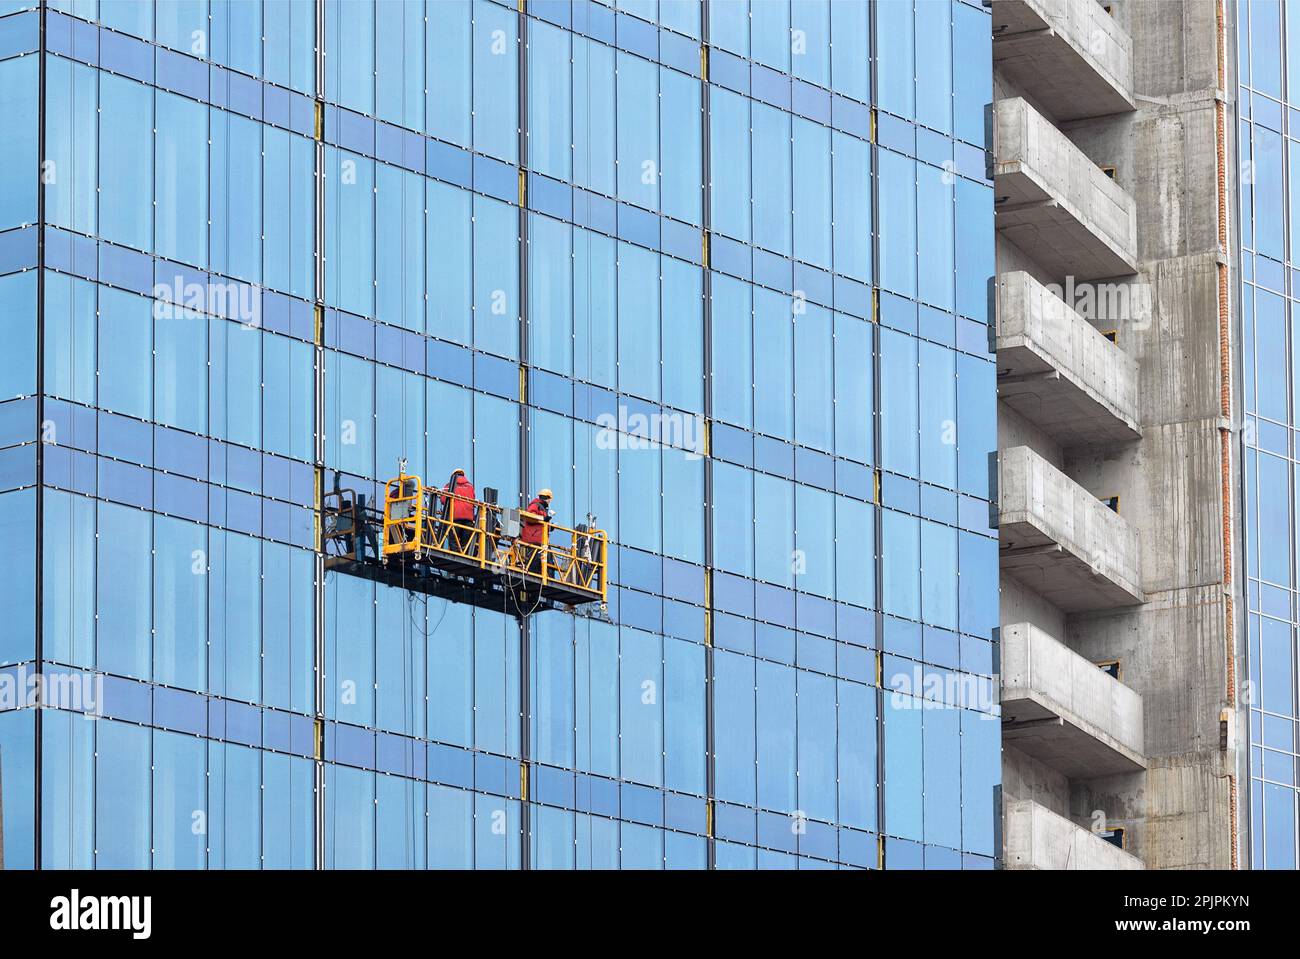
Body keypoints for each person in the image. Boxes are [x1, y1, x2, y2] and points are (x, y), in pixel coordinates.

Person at [442, 468, 476, 554]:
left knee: (454, 539)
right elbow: (473, 498)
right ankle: (464, 554)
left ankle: (454, 554)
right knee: (465, 540)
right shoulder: (470, 486)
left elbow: (443, 500)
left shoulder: (449, 485)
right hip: (468, 518)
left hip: (455, 517)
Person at [519, 488, 553, 575]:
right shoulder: (535, 505)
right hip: (534, 539)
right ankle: (534, 575)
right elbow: (530, 517)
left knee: (547, 560)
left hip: (540, 540)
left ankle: (545, 576)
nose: (550, 502)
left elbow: (540, 523)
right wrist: (544, 519)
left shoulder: (542, 508)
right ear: (548, 498)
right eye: (550, 500)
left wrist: (549, 526)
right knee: (534, 560)